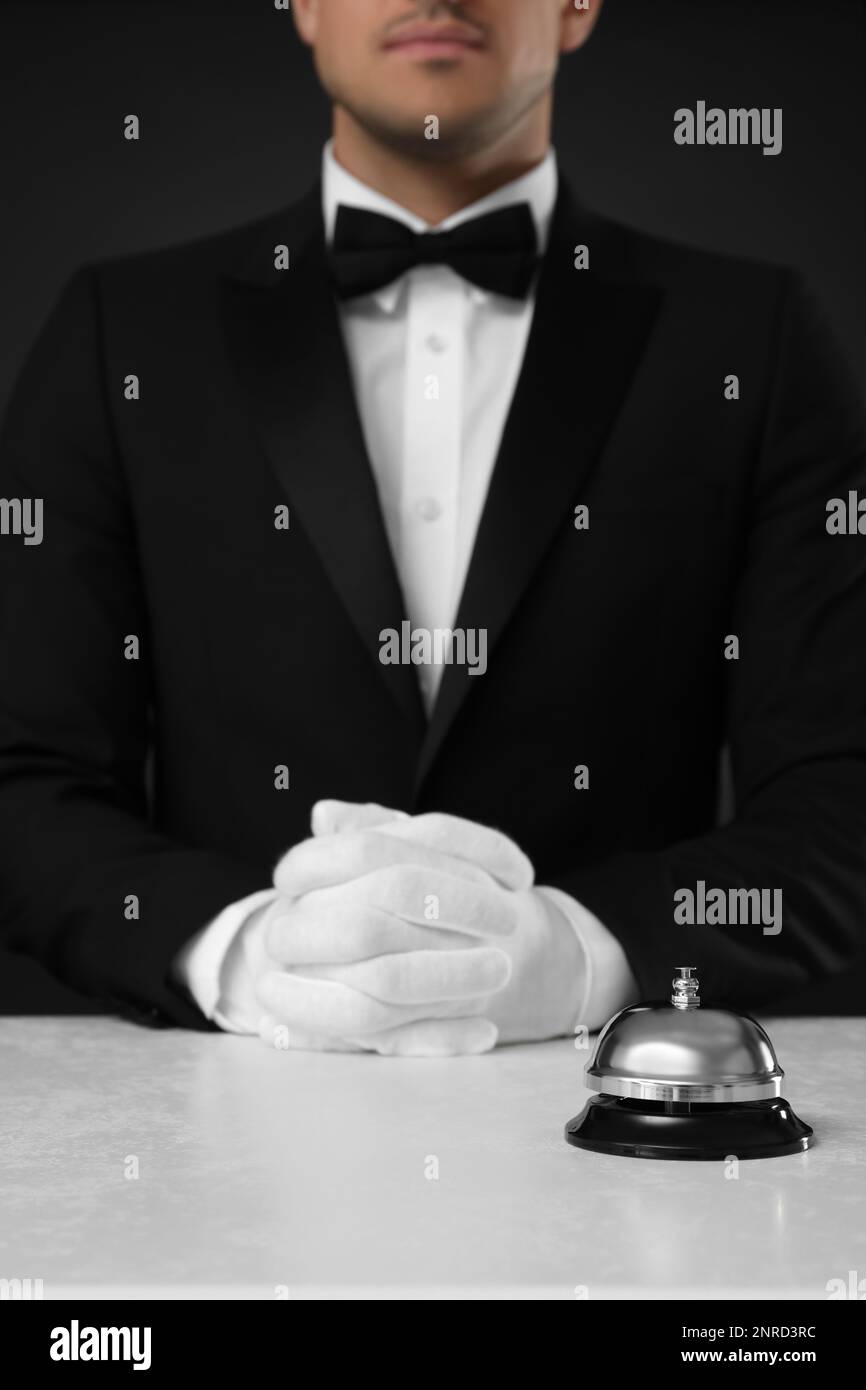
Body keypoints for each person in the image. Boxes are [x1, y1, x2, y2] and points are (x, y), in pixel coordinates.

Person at [1, 0, 864, 1055]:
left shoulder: (754, 338)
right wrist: (240, 952)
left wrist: (586, 953)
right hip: (219, 1123)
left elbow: (841, 793)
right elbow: (23, 779)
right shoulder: (118, 333)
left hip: (621, 1131)